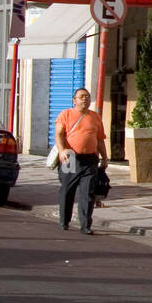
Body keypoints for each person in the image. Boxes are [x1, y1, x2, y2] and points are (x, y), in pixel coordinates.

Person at [55, 87, 108, 235]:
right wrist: (61, 151)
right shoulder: (66, 114)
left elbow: (100, 140)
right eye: (81, 96)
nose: (85, 99)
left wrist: (104, 157)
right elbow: (59, 135)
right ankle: (64, 221)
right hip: (70, 157)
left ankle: (85, 224)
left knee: (88, 193)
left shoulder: (95, 117)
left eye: (87, 96)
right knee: (67, 189)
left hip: (90, 159)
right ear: (74, 100)